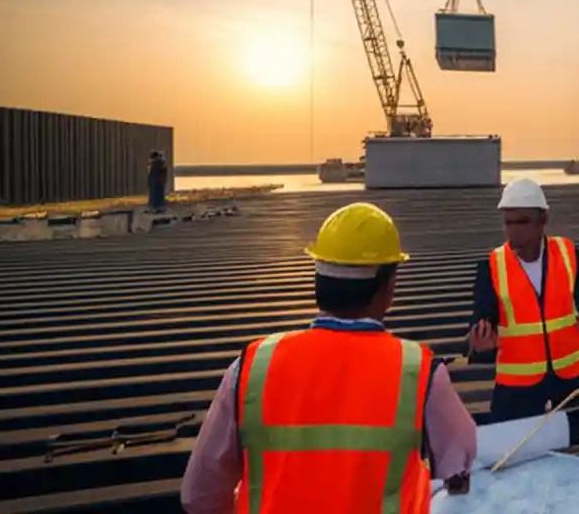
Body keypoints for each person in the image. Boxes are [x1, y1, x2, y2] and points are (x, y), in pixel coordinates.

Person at [180, 202, 477, 514]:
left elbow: (199, 496)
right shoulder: (419, 372)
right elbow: (461, 468)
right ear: (389, 287)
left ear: (318, 282)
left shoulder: (252, 367)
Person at [466, 177, 579, 446]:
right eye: (508, 222)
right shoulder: (492, 266)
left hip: (572, 378)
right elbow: (481, 325)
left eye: (523, 222)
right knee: (510, 451)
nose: (514, 231)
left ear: (544, 219)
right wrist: (481, 345)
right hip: (518, 385)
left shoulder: (568, 254)